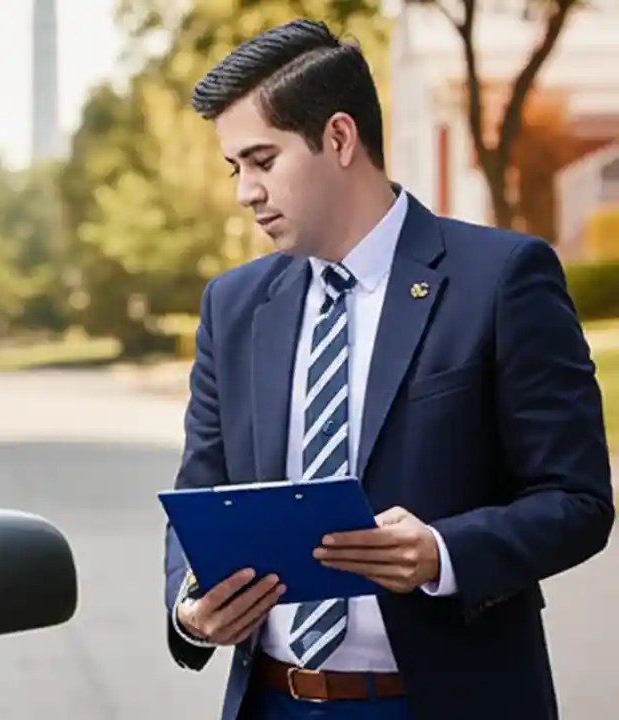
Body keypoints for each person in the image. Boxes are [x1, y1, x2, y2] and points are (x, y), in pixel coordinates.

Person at [162, 18, 614, 720]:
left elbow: (579, 500)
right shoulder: (235, 306)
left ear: (339, 139)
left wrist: (441, 552)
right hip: (275, 702)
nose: (245, 191)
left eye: (261, 160)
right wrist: (191, 611)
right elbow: (200, 495)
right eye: (236, 169)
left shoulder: (500, 280)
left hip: (444, 701)